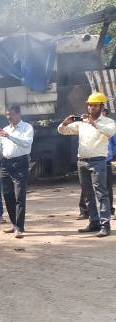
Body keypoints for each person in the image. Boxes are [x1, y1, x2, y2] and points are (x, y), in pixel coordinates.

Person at [59, 92, 116, 237]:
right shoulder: (82, 123)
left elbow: (110, 132)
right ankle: (94, 222)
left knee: (101, 193)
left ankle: (105, 225)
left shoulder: (108, 122)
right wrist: (65, 123)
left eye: (95, 105)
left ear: (102, 106)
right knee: (88, 195)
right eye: (89, 105)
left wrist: (94, 123)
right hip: (82, 162)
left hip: (98, 162)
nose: (91, 107)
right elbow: (62, 131)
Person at [0, 105, 33, 238]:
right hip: (5, 164)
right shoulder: (4, 130)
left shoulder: (27, 127)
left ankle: (20, 227)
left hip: (20, 163)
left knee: (19, 196)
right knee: (7, 195)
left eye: (11, 114)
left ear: (18, 113)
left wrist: (9, 136)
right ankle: (14, 224)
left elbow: (26, 144)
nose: (9, 117)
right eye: (7, 115)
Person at [77, 107, 115, 219]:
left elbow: (114, 142)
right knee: (87, 189)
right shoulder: (87, 124)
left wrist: (110, 153)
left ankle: (107, 217)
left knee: (104, 190)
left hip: (104, 160)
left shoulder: (109, 126)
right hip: (87, 159)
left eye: (103, 113)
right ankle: (86, 213)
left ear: (105, 115)